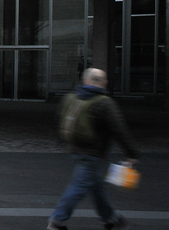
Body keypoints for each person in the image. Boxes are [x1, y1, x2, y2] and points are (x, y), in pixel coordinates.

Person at [47, 67, 139, 230]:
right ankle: (57, 221)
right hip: (94, 153)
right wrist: (131, 153)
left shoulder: (70, 98)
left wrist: (62, 140)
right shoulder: (104, 102)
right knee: (78, 186)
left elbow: (59, 120)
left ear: (85, 81)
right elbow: (119, 129)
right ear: (103, 83)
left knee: (96, 187)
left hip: (75, 149)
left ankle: (111, 219)